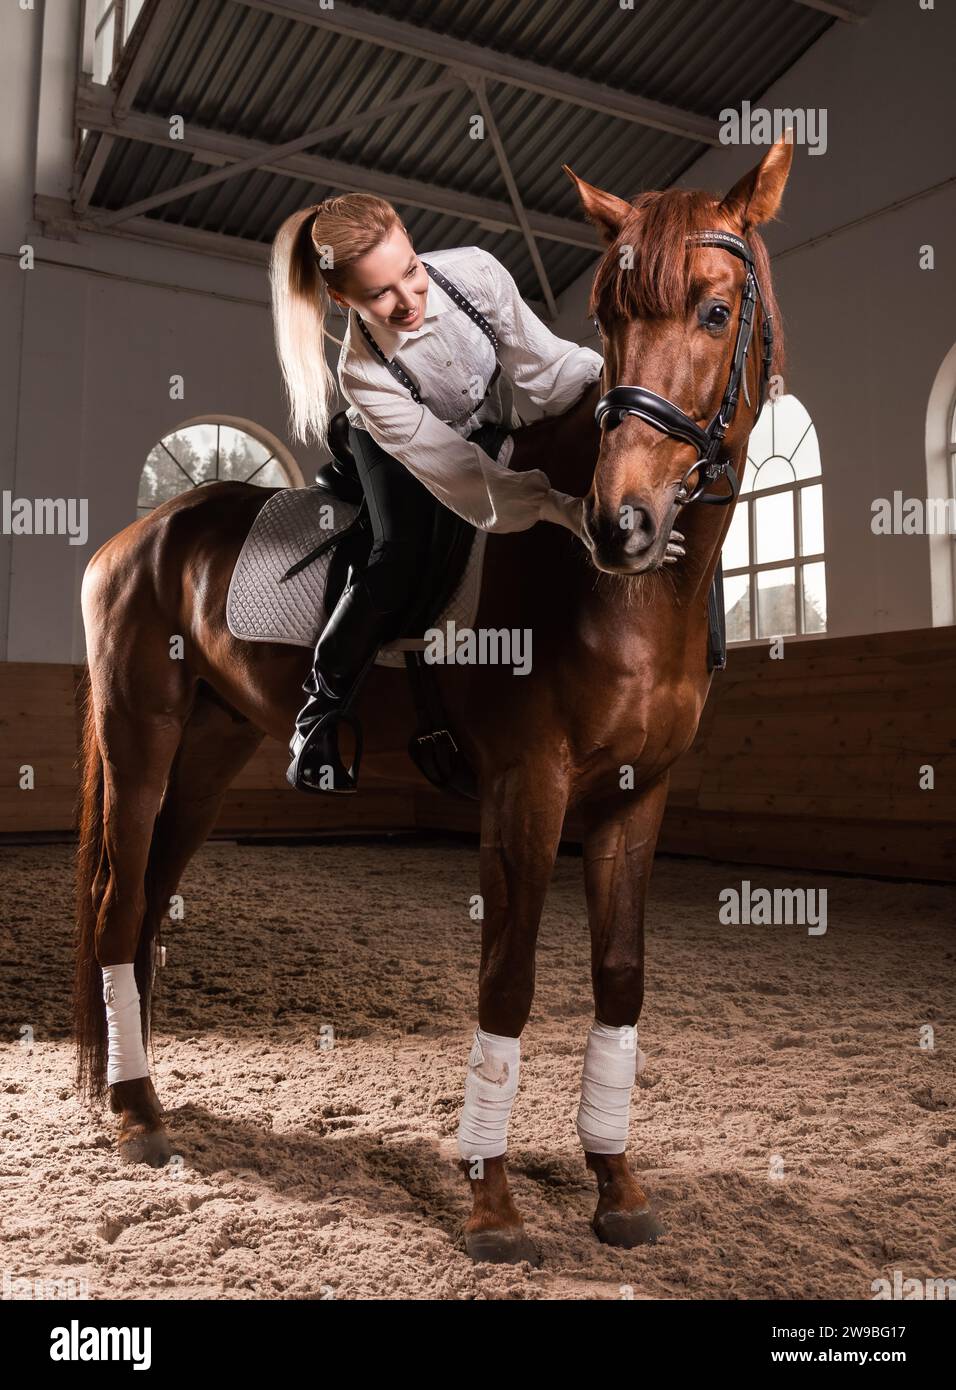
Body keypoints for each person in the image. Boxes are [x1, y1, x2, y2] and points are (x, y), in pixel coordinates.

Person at [269, 193, 602, 794]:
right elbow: (462, 475)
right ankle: (318, 713)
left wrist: (617, 394)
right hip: (396, 439)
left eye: (411, 271)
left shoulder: (477, 272)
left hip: (482, 419)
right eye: (380, 294)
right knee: (400, 551)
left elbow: (549, 371)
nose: (408, 301)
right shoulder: (363, 376)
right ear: (343, 299)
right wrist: (559, 507)